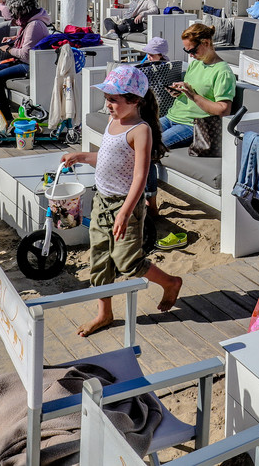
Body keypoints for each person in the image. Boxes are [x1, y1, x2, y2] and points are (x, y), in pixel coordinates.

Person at [60, 65, 182, 336]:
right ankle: (104, 314)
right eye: (107, 98)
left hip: (125, 205)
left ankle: (171, 282)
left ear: (135, 101)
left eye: (114, 99)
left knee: (127, 261)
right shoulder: (113, 121)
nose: (108, 104)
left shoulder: (141, 130)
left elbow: (141, 176)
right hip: (102, 201)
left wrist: (126, 212)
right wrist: (81, 156)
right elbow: (106, 158)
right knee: (100, 259)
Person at [0, 0, 51, 130]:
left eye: (15, 13)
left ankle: (6, 119)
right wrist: (14, 39)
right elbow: (28, 42)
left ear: (21, 10)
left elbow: (25, 54)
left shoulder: (34, 24)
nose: (14, 17)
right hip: (24, 62)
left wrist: (8, 49)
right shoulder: (29, 21)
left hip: (30, 65)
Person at [159, 23, 236, 148]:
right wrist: (180, 91)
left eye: (193, 50)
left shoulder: (222, 72)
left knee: (150, 145)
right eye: (186, 50)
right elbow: (193, 92)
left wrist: (193, 96)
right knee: (134, 137)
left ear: (206, 43)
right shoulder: (196, 64)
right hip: (171, 117)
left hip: (191, 125)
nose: (190, 55)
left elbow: (223, 110)